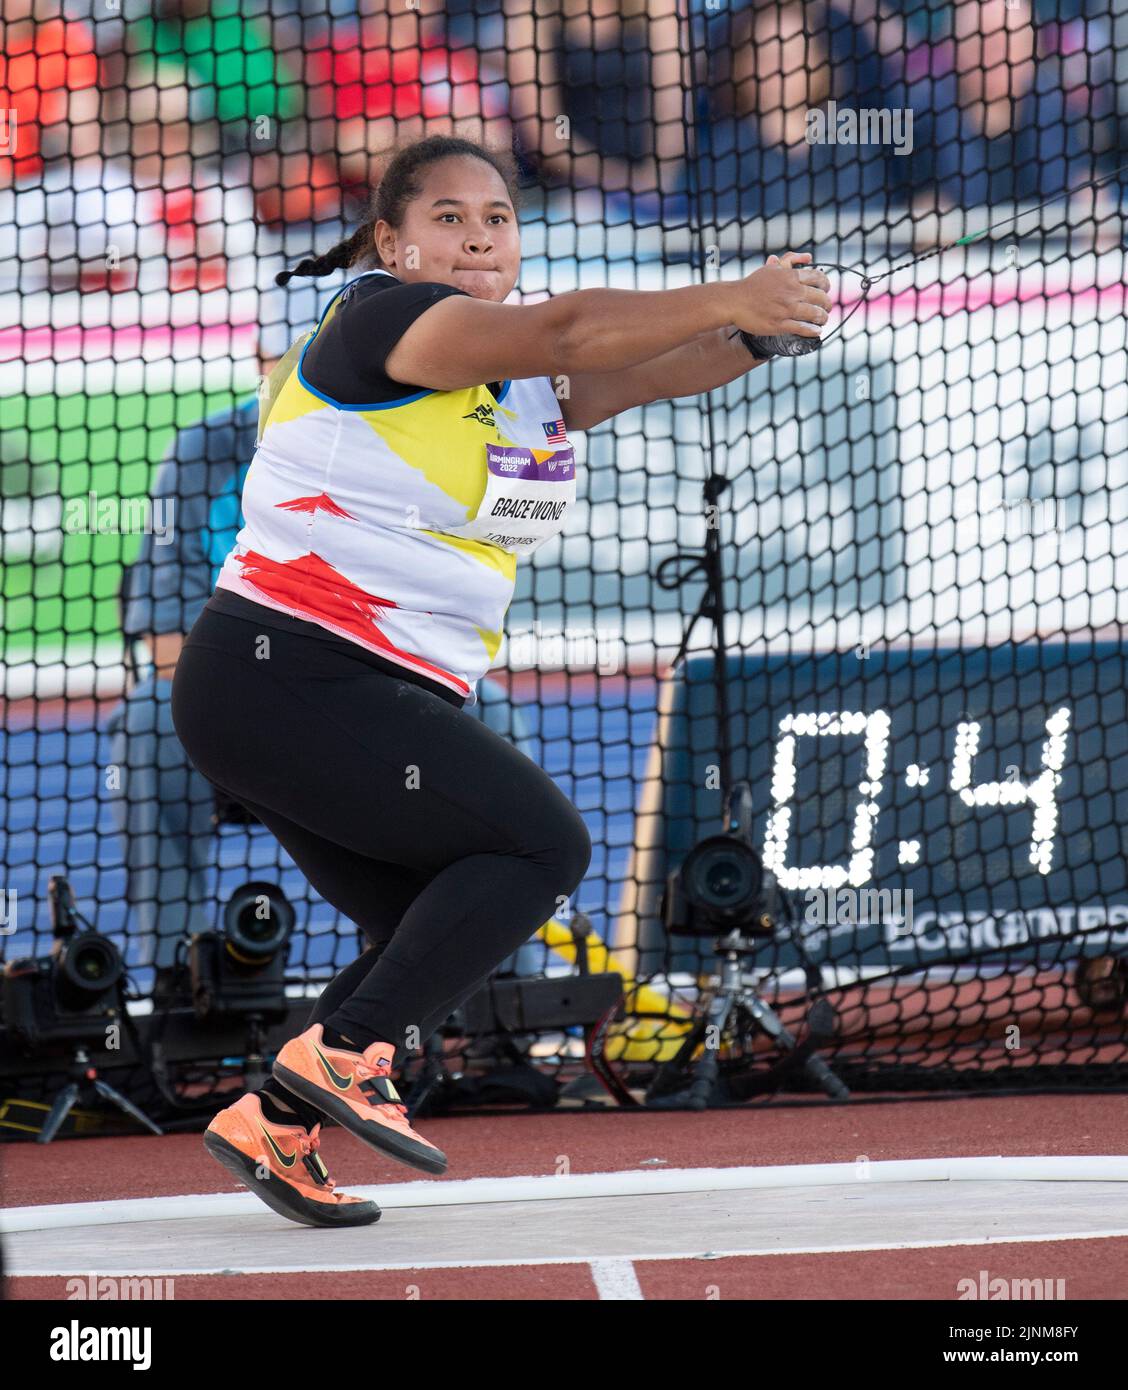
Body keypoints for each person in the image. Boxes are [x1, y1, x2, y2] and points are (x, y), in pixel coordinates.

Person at [172, 133, 830, 1226]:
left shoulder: (521, 383)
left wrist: (762, 334)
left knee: (435, 928)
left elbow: (655, 368)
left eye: (499, 220)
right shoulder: (380, 317)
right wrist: (734, 287)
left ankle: (273, 1125)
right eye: (450, 218)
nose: (479, 236)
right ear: (391, 239)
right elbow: (570, 324)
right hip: (283, 669)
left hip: (333, 692)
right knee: (543, 847)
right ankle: (339, 1059)